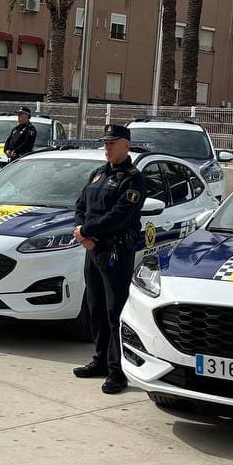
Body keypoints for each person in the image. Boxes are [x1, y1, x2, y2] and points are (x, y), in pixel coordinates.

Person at [72, 124, 147, 394]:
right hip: (92, 251)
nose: (107, 147)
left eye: (112, 143)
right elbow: (81, 206)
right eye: (105, 143)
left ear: (126, 145)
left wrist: (87, 231)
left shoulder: (133, 179)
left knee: (115, 311)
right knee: (96, 308)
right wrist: (81, 234)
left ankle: (118, 372)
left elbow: (119, 215)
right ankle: (100, 360)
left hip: (115, 252)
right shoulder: (98, 174)